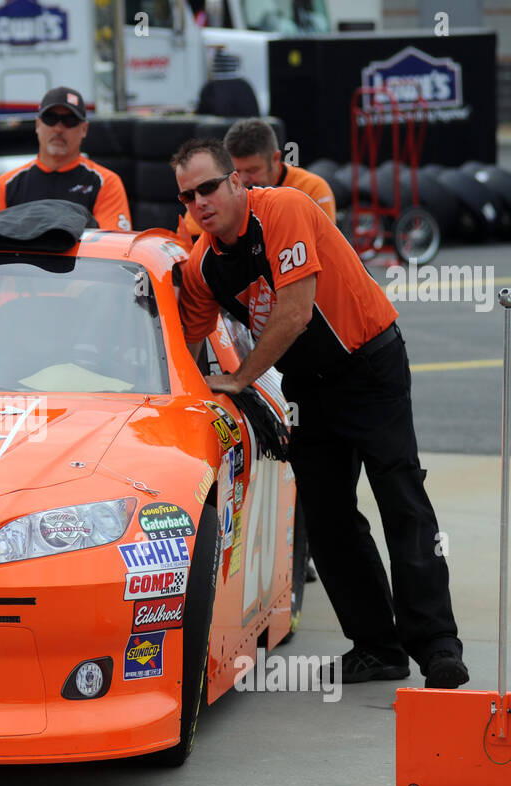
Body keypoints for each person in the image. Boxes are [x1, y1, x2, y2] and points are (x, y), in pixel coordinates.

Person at [169, 138, 468, 689]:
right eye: (187, 196)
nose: (200, 203)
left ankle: (437, 645)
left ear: (237, 181)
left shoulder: (285, 207)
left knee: (400, 496)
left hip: (369, 364)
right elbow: (185, 345)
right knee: (328, 518)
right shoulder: (203, 263)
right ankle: (378, 646)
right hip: (309, 385)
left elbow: (295, 312)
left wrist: (239, 378)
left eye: (209, 187)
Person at [0, 87, 132, 231]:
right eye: (50, 118)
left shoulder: (106, 183)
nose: (58, 129)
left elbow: (113, 246)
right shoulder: (5, 185)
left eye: (70, 120)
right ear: (38, 125)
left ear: (84, 129)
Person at [177, 117, 334, 246]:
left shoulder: (312, 188)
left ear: (275, 159)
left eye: (252, 170)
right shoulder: (213, 195)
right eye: (236, 171)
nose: (243, 179)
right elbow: (187, 251)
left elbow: (324, 249)